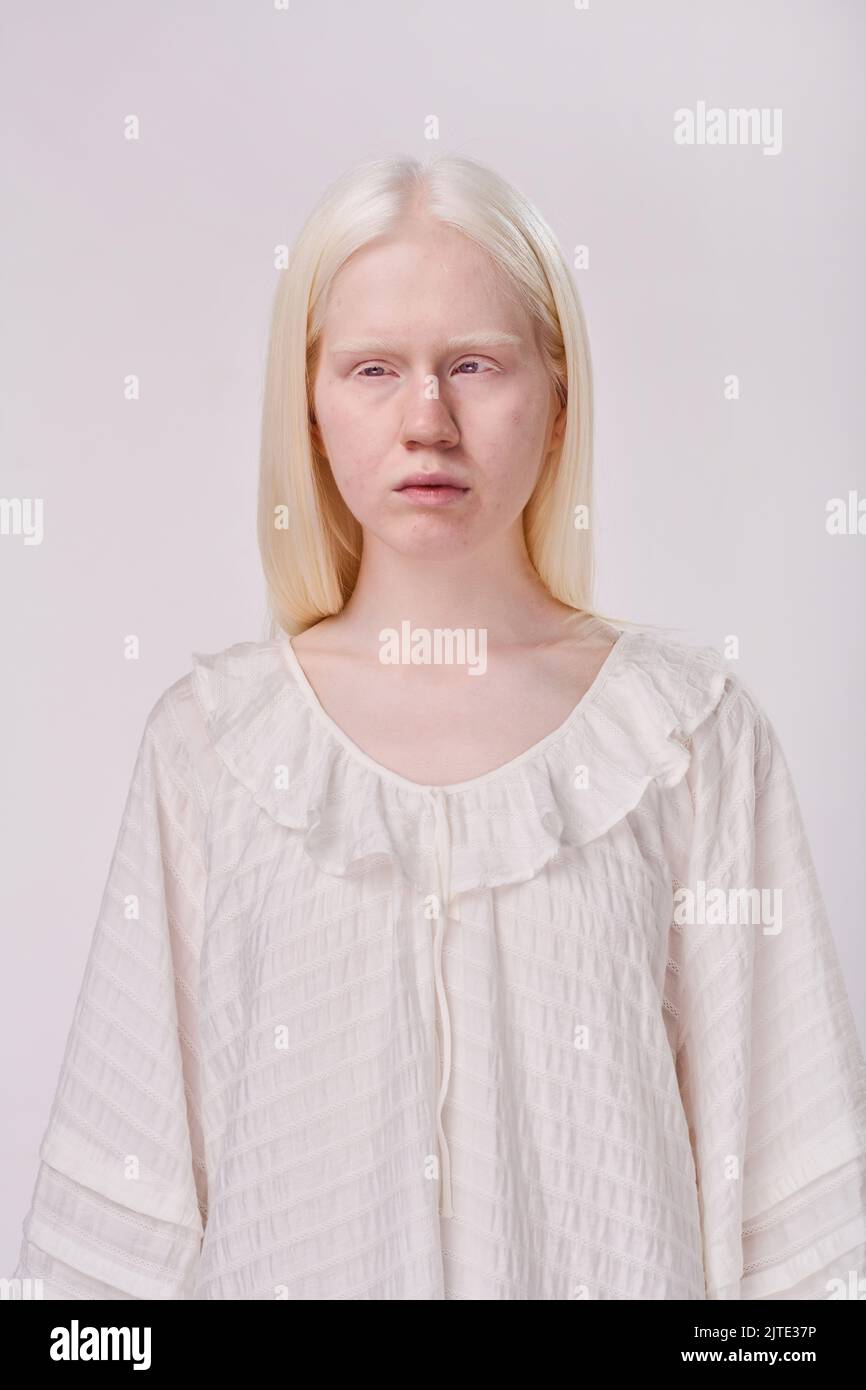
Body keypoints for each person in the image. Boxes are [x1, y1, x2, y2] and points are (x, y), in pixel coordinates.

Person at [11, 154, 866, 1300]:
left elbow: (791, 1218)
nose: (427, 419)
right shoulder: (210, 749)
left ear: (554, 393)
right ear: (307, 403)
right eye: (373, 369)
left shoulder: (689, 742)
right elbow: (120, 1240)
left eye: (473, 364)